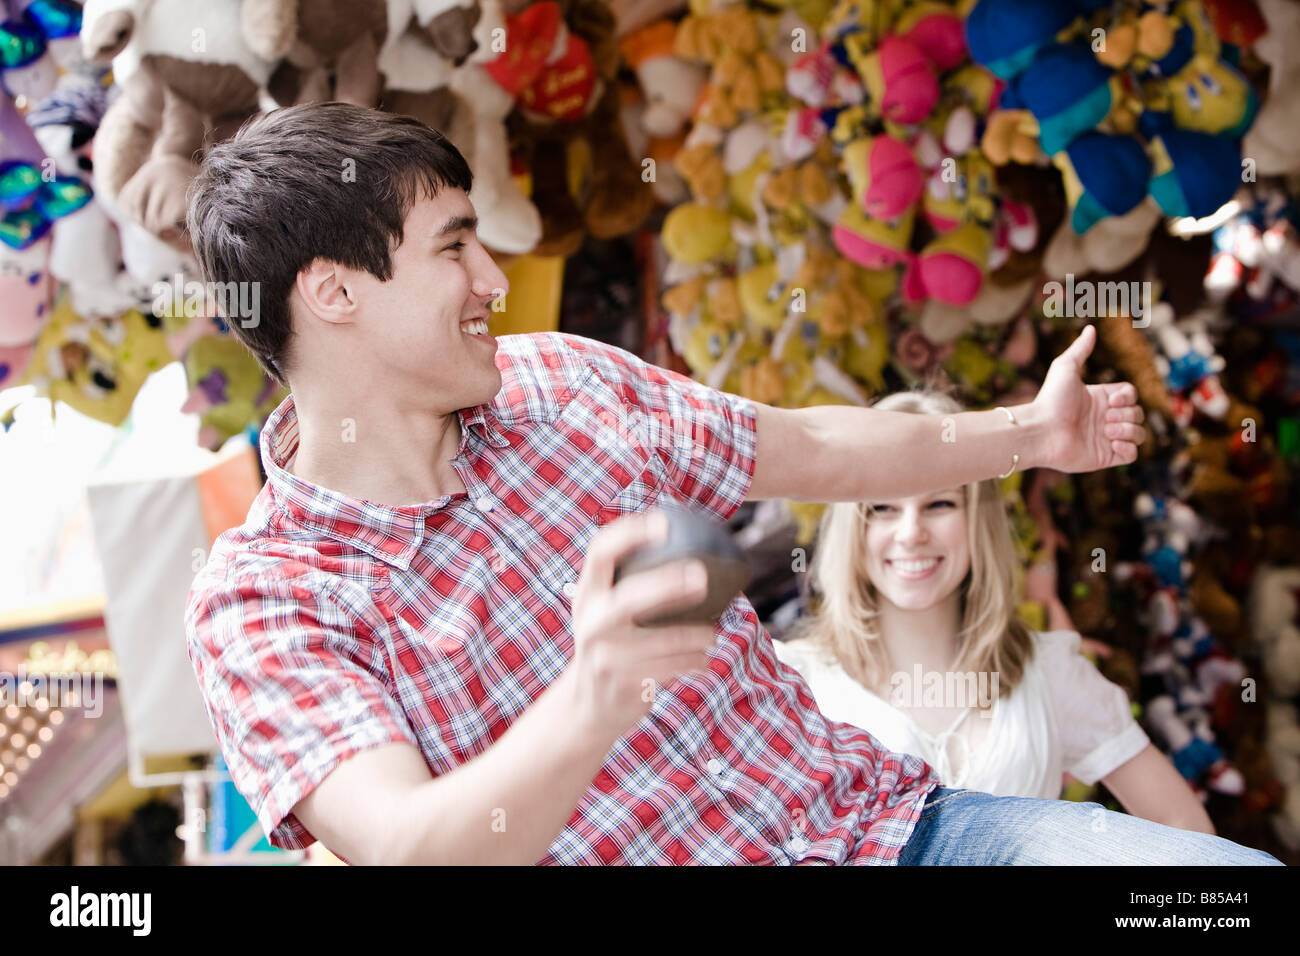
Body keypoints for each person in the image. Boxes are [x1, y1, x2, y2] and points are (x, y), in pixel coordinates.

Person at [182, 102, 1279, 865]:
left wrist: (1024, 435)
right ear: (333, 293)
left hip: (899, 834)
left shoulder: (560, 378)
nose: (491, 277)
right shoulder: (265, 596)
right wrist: (595, 693)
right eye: (452, 247)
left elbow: (815, 445)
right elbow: (414, 843)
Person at [772, 389, 1216, 834]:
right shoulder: (792, 683)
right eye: (883, 508)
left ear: (977, 520)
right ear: (853, 525)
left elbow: (1185, 828)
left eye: (940, 504)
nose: (910, 533)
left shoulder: (1049, 672)